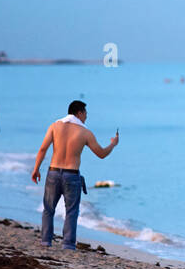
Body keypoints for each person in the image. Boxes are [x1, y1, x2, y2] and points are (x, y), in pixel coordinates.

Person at [31, 100, 119, 251]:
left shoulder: (54, 126)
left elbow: (42, 149)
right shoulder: (85, 132)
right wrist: (113, 144)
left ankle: (46, 241)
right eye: (85, 114)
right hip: (71, 175)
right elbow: (102, 154)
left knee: (48, 209)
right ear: (79, 113)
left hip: (53, 172)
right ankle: (68, 244)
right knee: (71, 211)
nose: (86, 117)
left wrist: (36, 169)